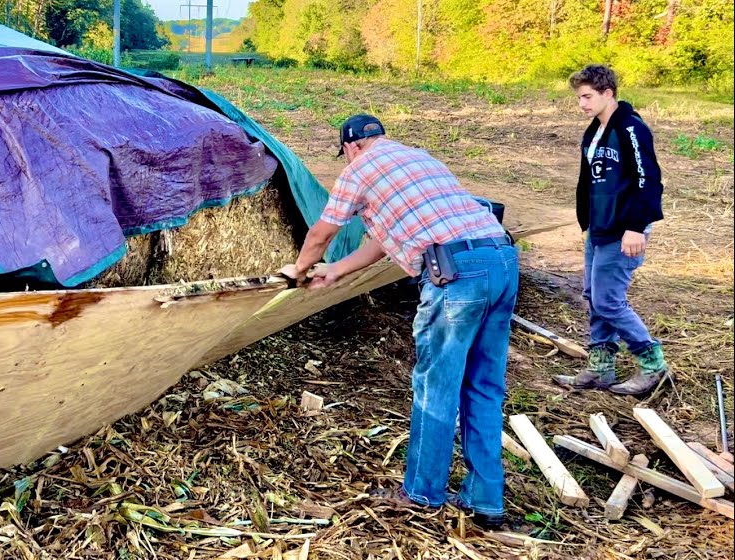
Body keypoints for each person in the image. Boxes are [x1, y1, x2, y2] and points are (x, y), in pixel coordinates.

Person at [278, 114, 518, 528]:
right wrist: (335, 271)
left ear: (351, 147)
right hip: (501, 259)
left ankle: (422, 494)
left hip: (456, 275)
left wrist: (298, 269)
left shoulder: (360, 168)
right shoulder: (418, 158)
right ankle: (485, 499)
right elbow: (381, 242)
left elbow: (322, 233)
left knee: (436, 386)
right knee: (483, 386)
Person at [554, 65, 666, 395]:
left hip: (624, 230)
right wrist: (587, 222)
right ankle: (601, 368)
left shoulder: (631, 129)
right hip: (599, 228)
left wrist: (636, 227)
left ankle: (653, 364)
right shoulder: (595, 130)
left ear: (608, 93)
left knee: (608, 301)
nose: (582, 104)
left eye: (588, 97)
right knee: (594, 296)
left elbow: (649, 180)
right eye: (579, 98)